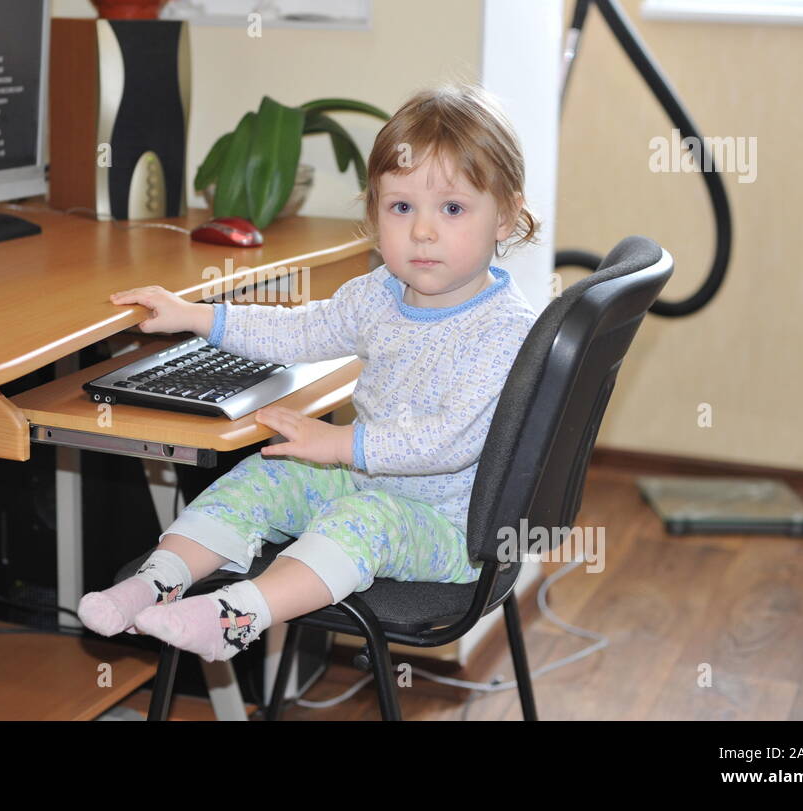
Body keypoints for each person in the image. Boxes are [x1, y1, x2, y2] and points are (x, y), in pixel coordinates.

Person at [78, 82, 542, 663]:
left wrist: (340, 442)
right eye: (402, 207)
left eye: (452, 208)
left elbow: (446, 441)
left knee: (362, 516)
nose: (422, 231)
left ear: (505, 217)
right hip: (369, 482)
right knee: (263, 472)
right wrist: (197, 317)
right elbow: (301, 333)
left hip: (451, 530)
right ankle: (156, 581)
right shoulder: (380, 293)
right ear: (375, 210)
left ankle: (234, 616)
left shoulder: (505, 330)